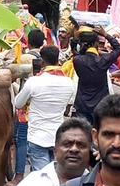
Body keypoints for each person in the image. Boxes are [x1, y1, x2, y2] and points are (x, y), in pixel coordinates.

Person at [12, 45, 77, 173]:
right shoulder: (69, 83)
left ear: (42, 62)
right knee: (57, 175)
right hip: (58, 136)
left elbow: (18, 103)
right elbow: (70, 102)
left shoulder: (34, 82)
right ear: (58, 60)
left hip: (37, 137)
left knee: (42, 176)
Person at [71, 29, 120, 124]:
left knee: (83, 132)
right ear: (96, 44)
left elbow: (77, 52)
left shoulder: (77, 60)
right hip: (101, 105)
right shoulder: (103, 60)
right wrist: (105, 35)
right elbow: (118, 48)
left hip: (82, 105)